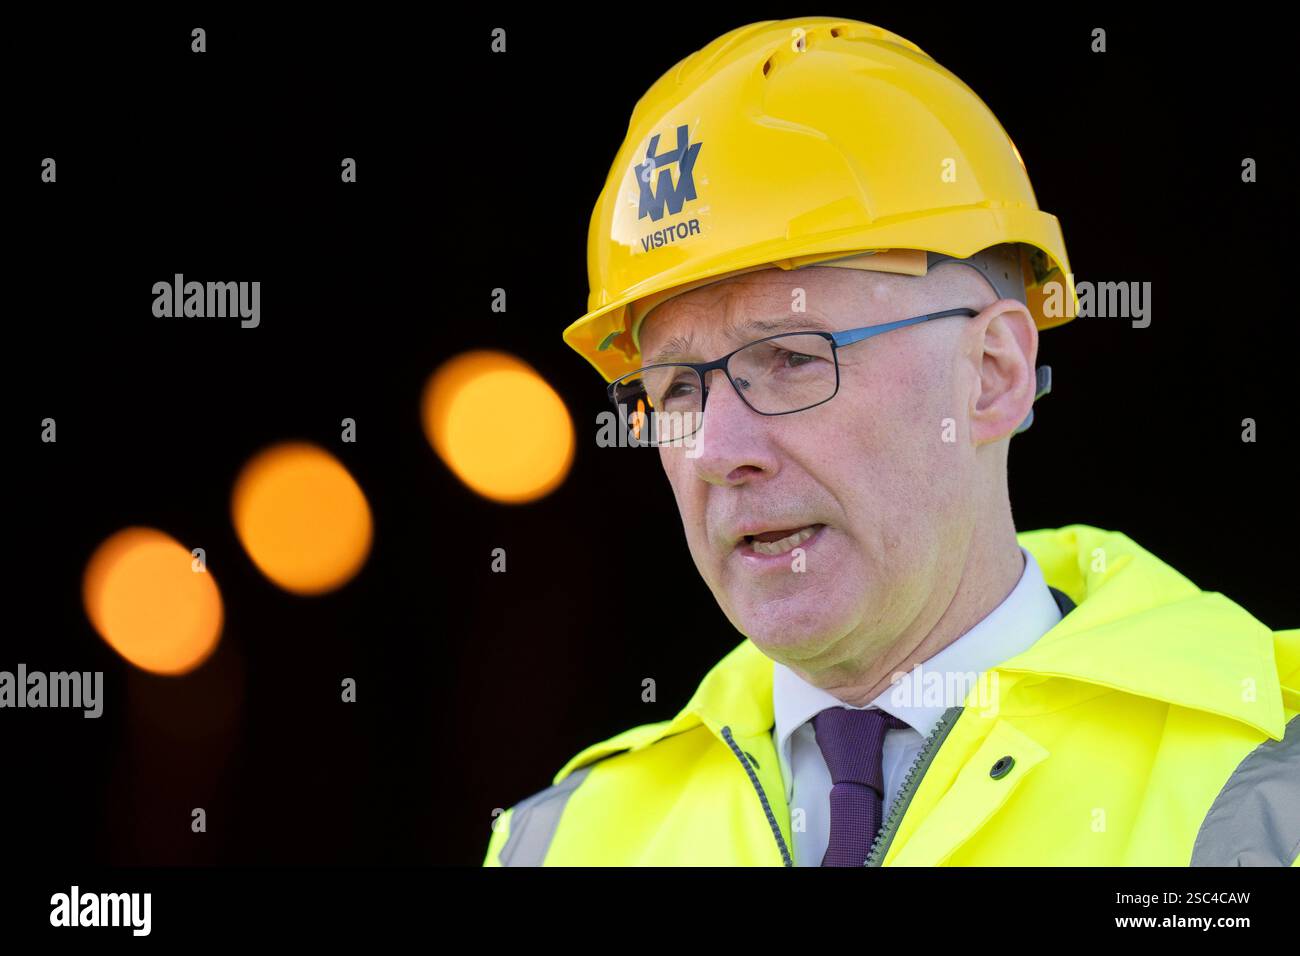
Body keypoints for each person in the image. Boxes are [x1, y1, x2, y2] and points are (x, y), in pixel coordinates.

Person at [483, 17, 1299, 866]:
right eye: (677, 388)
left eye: (793, 359)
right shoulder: (561, 843)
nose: (718, 451)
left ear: (992, 373)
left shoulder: (1262, 797)